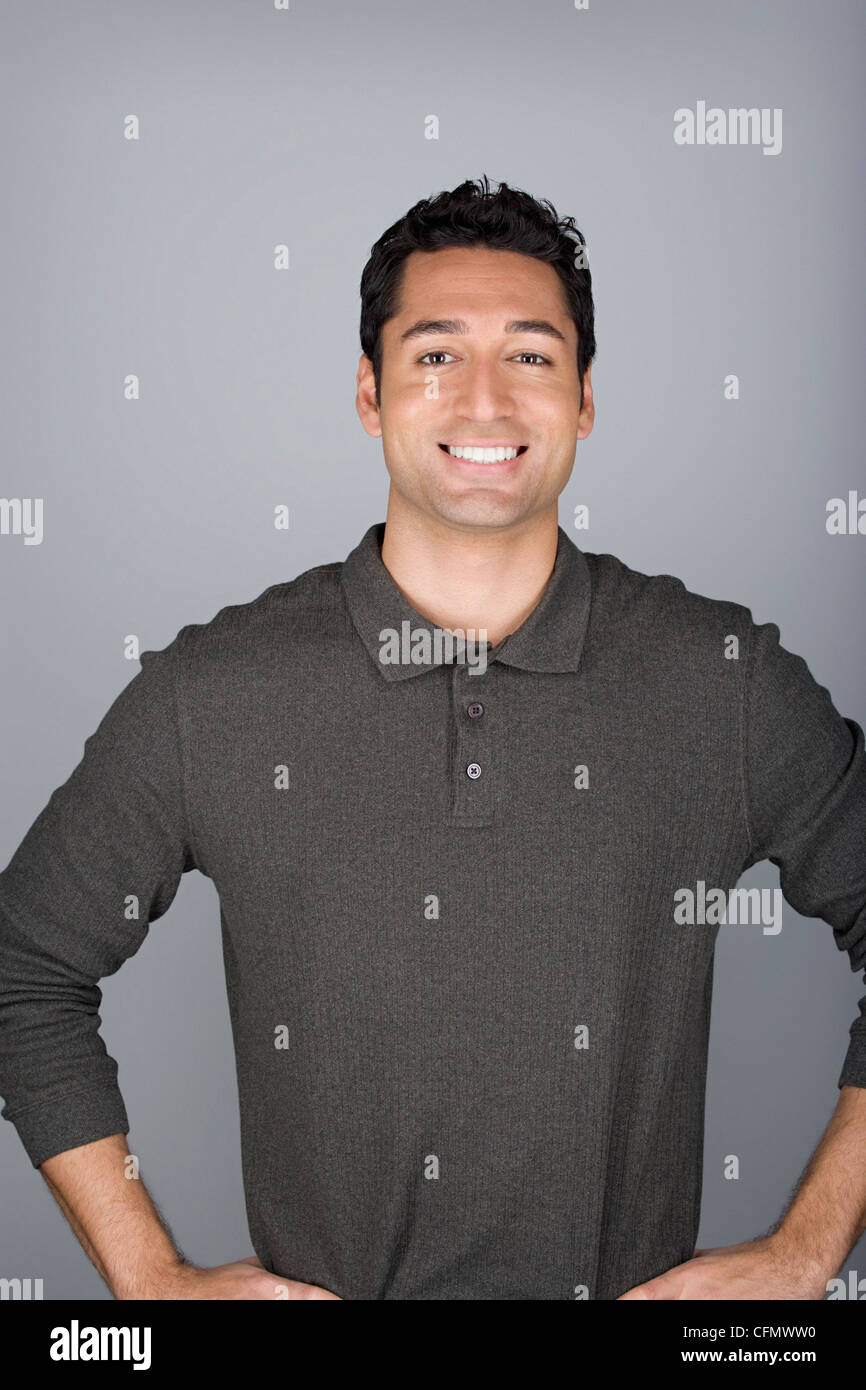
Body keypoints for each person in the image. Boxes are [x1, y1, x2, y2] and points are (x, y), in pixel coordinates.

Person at [1, 176, 864, 1301]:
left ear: (585, 399)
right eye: (435, 353)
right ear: (369, 393)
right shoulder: (214, 691)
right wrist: (149, 1278)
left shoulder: (721, 681)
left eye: (532, 354)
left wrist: (808, 1251)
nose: (486, 400)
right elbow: (25, 967)